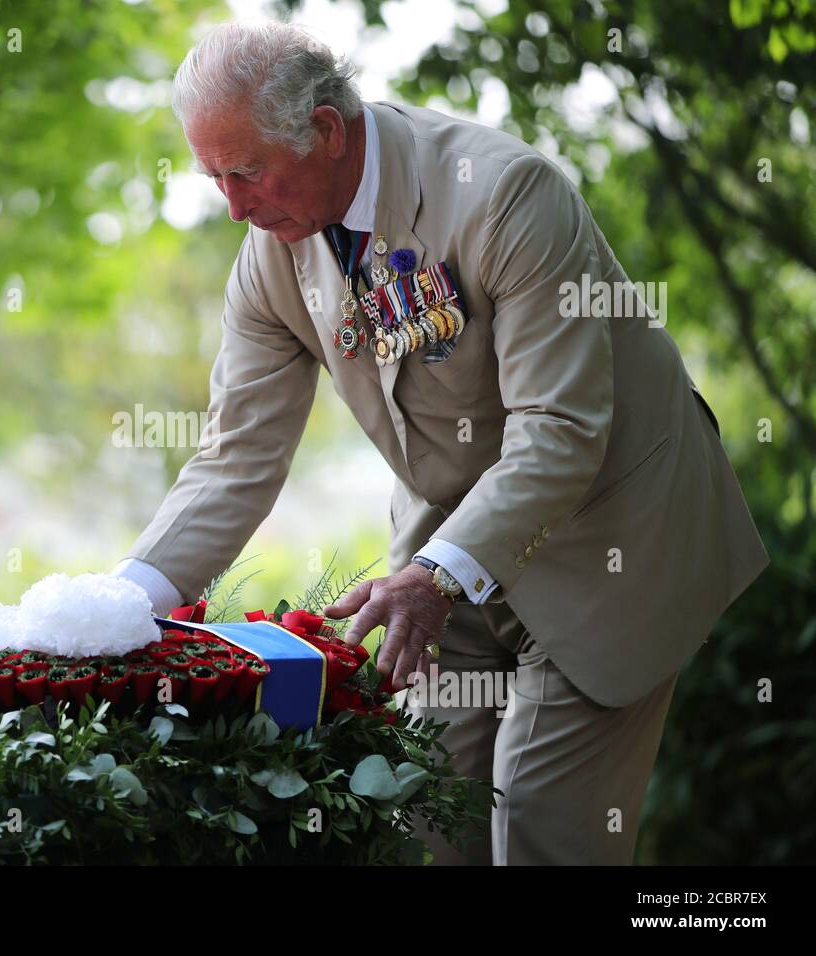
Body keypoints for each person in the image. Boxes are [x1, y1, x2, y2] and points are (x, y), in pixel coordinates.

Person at [112, 20, 769, 865]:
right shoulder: (270, 254)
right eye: (215, 179)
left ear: (325, 131)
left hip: (611, 535)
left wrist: (435, 575)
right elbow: (235, 451)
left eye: (247, 172)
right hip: (444, 549)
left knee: (540, 827)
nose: (234, 206)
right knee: (423, 810)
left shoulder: (506, 195)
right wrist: (119, 608)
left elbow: (561, 428)